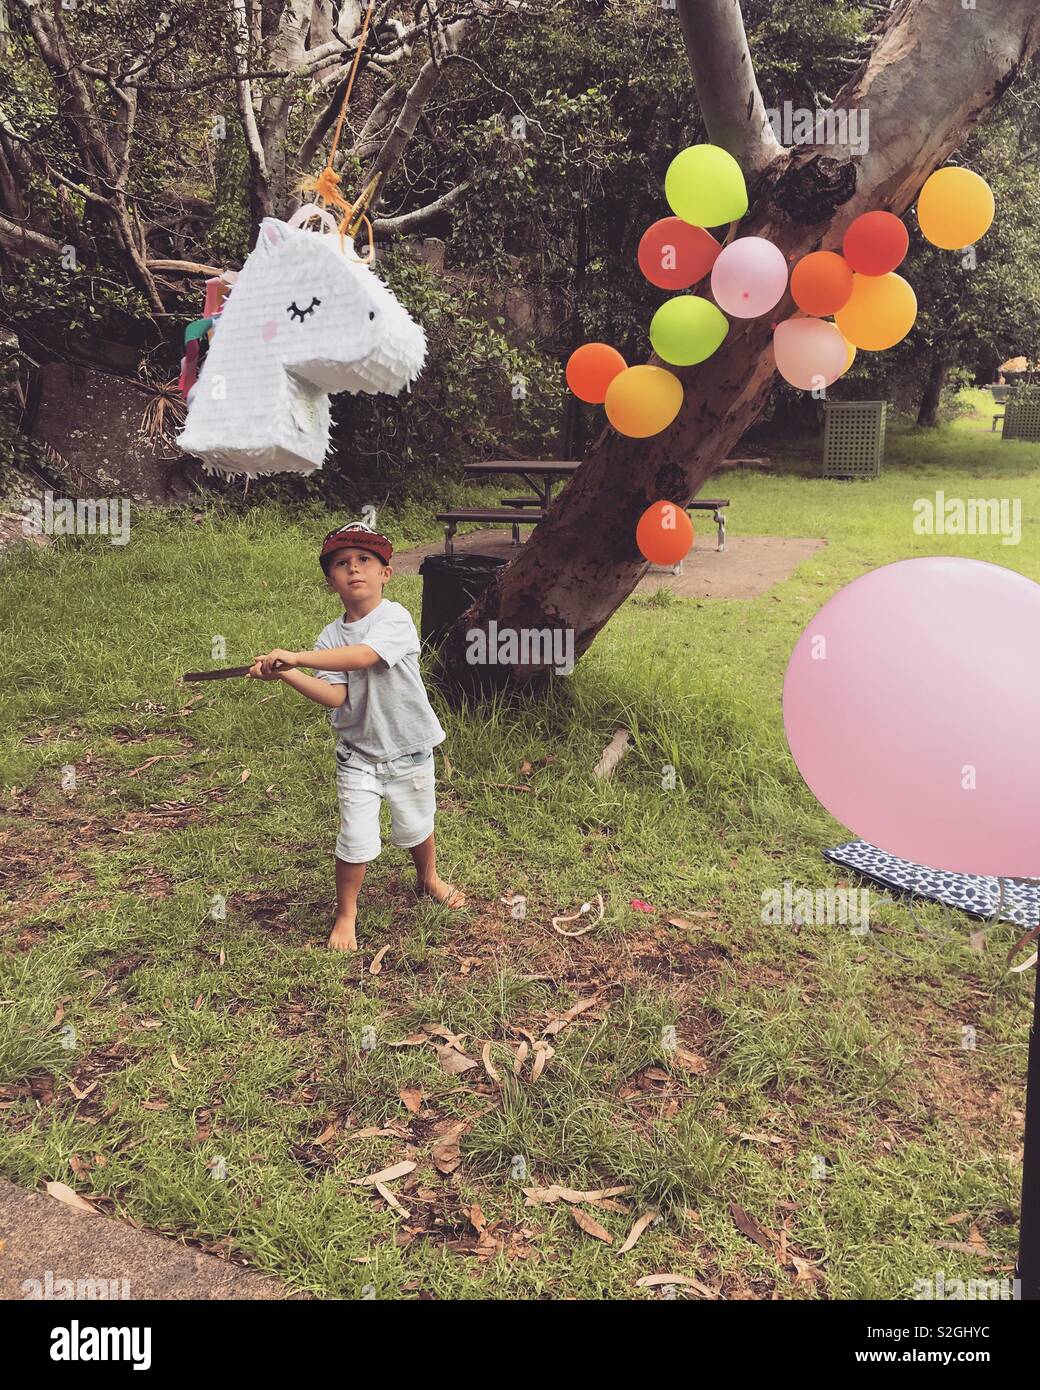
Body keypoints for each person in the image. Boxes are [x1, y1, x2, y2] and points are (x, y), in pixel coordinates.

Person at [249, 521, 465, 951]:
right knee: (354, 838)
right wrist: (289, 673)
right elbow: (333, 696)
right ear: (332, 582)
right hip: (358, 754)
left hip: (409, 748)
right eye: (342, 564)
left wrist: (295, 656)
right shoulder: (329, 637)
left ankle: (429, 879)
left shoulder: (395, 618)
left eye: (365, 560)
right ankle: (346, 914)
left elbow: (365, 657)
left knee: (417, 823)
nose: (354, 569)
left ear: (386, 572)